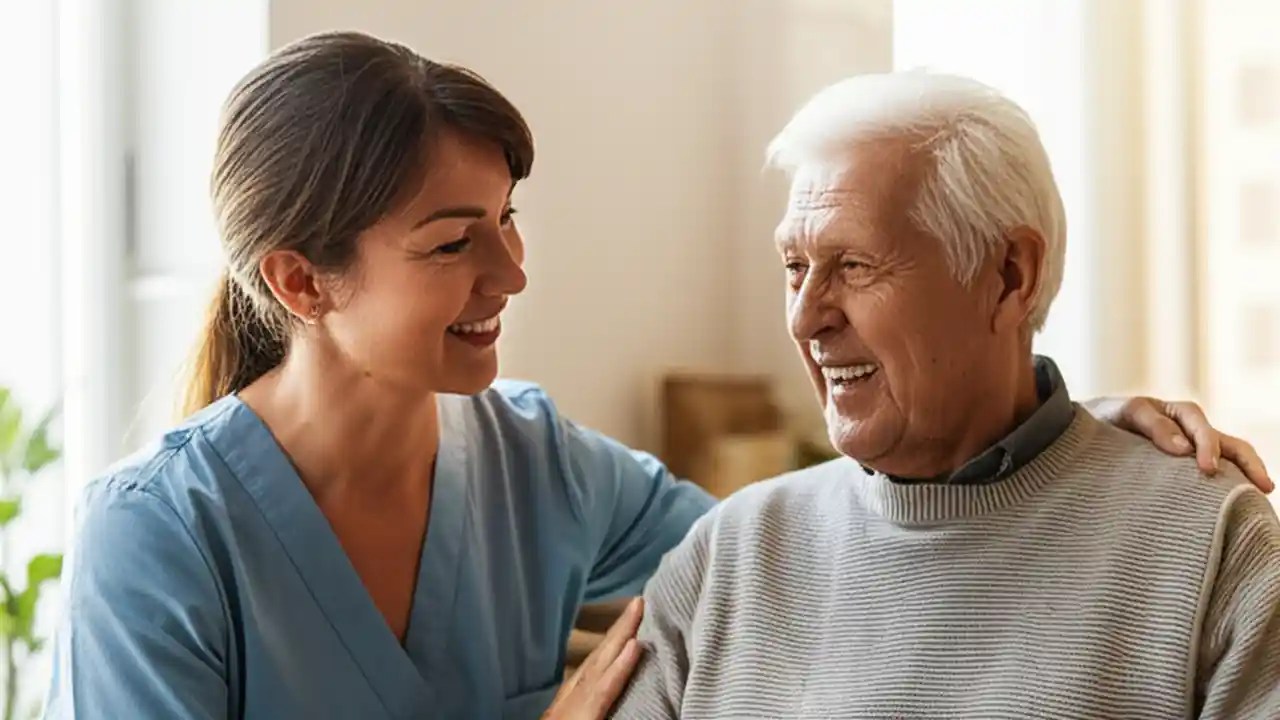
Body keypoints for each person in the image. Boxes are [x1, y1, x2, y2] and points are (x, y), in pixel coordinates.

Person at [42, 33, 1271, 720]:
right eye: (453, 242)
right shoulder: (159, 539)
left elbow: (845, 555)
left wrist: (1064, 438)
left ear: (1008, 276)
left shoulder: (541, 469)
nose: (513, 271)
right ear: (302, 284)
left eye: (507, 219)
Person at [611, 72, 1280, 719]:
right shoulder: (727, 553)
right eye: (795, 267)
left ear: (1010, 276)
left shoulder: (1214, 544)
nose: (805, 318)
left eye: (853, 265)